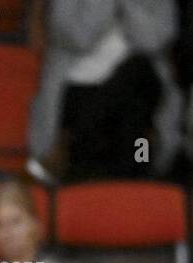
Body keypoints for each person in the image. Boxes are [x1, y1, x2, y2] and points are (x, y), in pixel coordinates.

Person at [28, 0, 182, 181]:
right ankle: (118, 183)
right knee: (118, 109)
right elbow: (78, 37)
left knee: (136, 75)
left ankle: (122, 181)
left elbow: (156, 40)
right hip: (79, 86)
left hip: (139, 93)